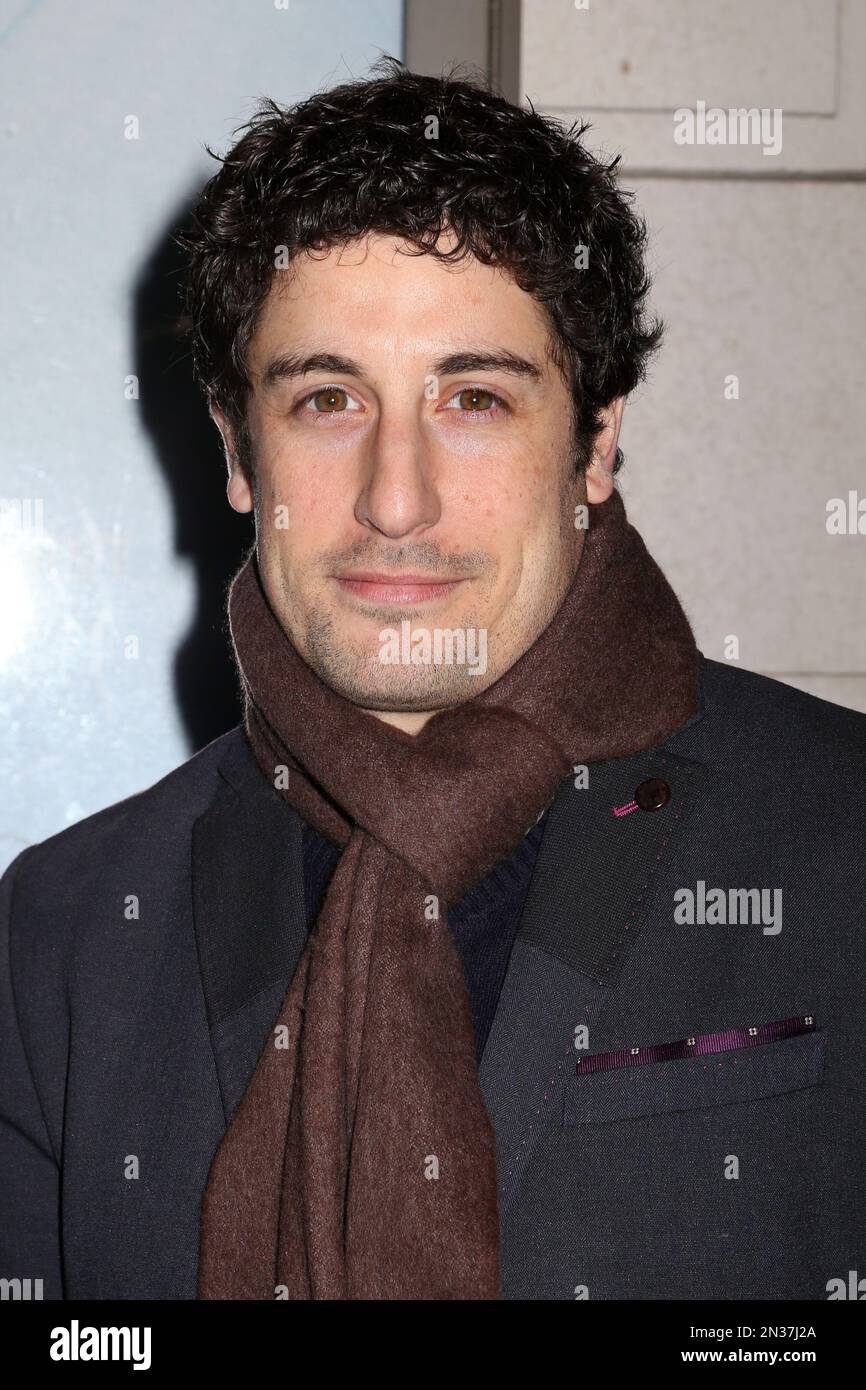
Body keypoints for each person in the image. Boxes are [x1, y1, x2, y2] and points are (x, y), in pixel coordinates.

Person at [1, 57, 863, 1302]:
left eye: (472, 398)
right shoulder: (66, 936)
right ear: (238, 454)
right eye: (327, 398)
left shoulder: (840, 841)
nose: (393, 500)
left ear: (596, 441)